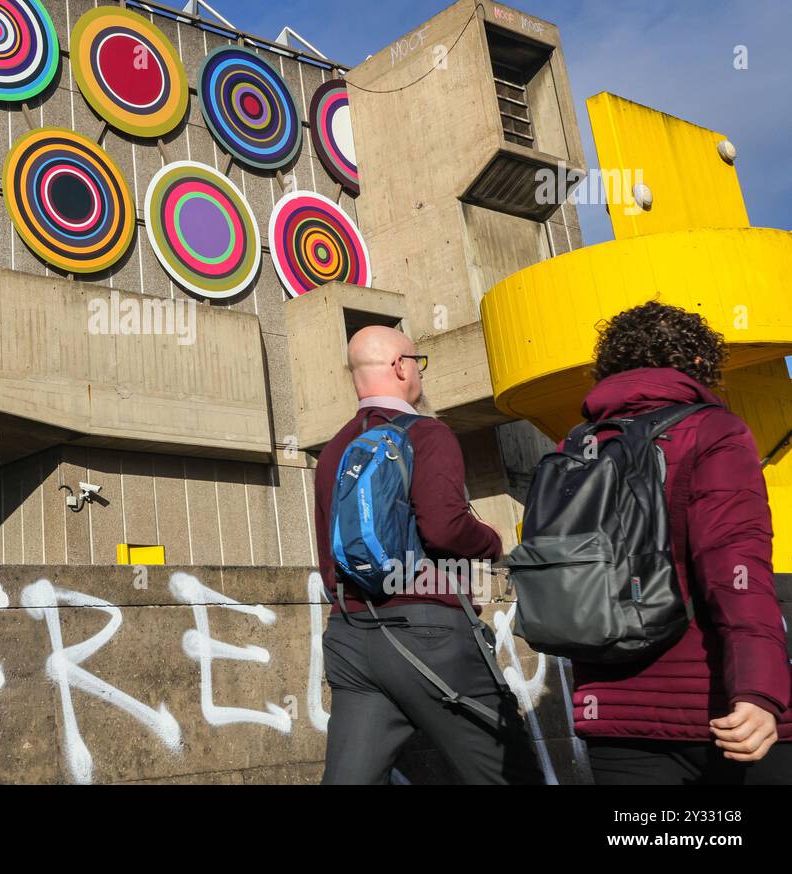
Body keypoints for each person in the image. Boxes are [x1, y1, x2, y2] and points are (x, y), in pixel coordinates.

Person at [570, 301, 792, 785]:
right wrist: (759, 690)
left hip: (611, 708)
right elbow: (735, 568)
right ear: (697, 363)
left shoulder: (576, 445)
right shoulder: (713, 430)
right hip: (715, 708)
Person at [315, 324, 541, 784]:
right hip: (428, 633)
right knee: (506, 771)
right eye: (416, 362)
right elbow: (444, 529)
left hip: (350, 634)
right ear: (400, 367)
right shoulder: (426, 433)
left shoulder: (333, 450)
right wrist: (490, 541)